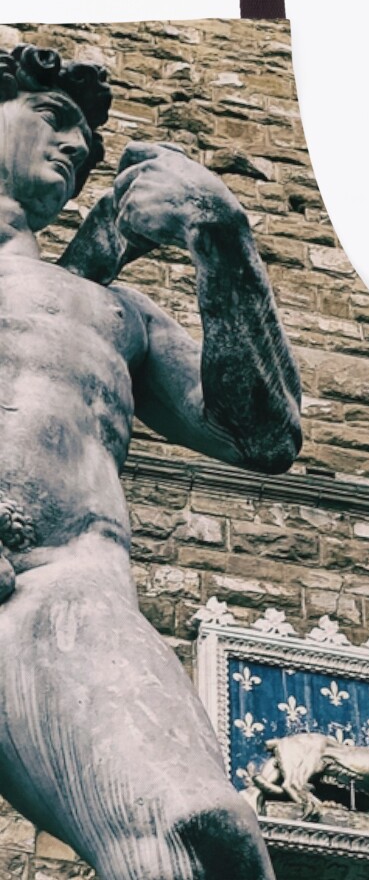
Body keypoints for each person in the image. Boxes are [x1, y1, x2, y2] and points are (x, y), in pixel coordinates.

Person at [0, 43, 302, 880]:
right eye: (56, 119)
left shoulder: (109, 310)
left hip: (60, 586)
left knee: (202, 840)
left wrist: (222, 238)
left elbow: (265, 437)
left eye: (93, 146)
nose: (79, 150)